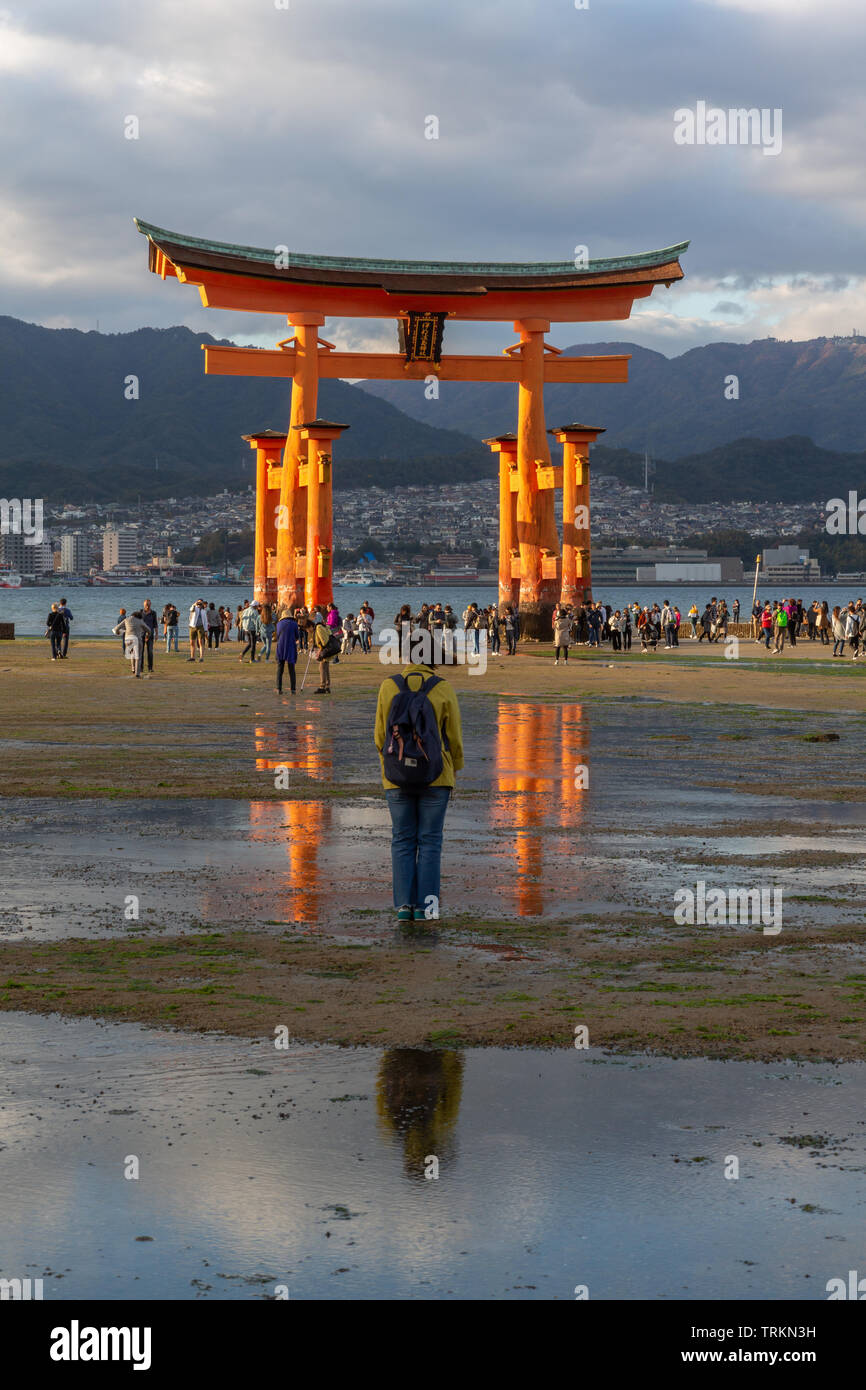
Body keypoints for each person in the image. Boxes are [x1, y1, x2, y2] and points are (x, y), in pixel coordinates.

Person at [374, 649, 464, 924]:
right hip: (436, 777)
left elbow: (380, 736)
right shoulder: (443, 688)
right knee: (430, 842)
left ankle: (404, 906)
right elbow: (454, 737)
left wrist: (392, 766)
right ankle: (427, 907)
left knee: (402, 839)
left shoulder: (389, 686)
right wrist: (453, 768)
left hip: (396, 778)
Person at [113, 609, 147, 677]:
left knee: (132, 654)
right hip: (137, 639)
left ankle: (133, 669)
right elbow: (148, 629)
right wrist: (148, 634)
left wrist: (118, 633)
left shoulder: (126, 619)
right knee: (138, 656)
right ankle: (137, 673)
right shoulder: (140, 621)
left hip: (128, 640)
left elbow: (116, 629)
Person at [307, 613, 334, 693]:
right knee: (326, 668)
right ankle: (327, 686)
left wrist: (319, 650)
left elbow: (324, 641)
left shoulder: (318, 628)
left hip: (325, 651)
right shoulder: (321, 626)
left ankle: (322, 687)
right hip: (328, 650)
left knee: (322, 668)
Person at [275, 606, 300, 694]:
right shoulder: (294, 624)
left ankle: (278, 688)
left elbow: (277, 636)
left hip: (281, 646)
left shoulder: (279, 624)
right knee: (291, 669)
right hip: (290, 647)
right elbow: (297, 636)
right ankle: (293, 689)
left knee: (280, 669)